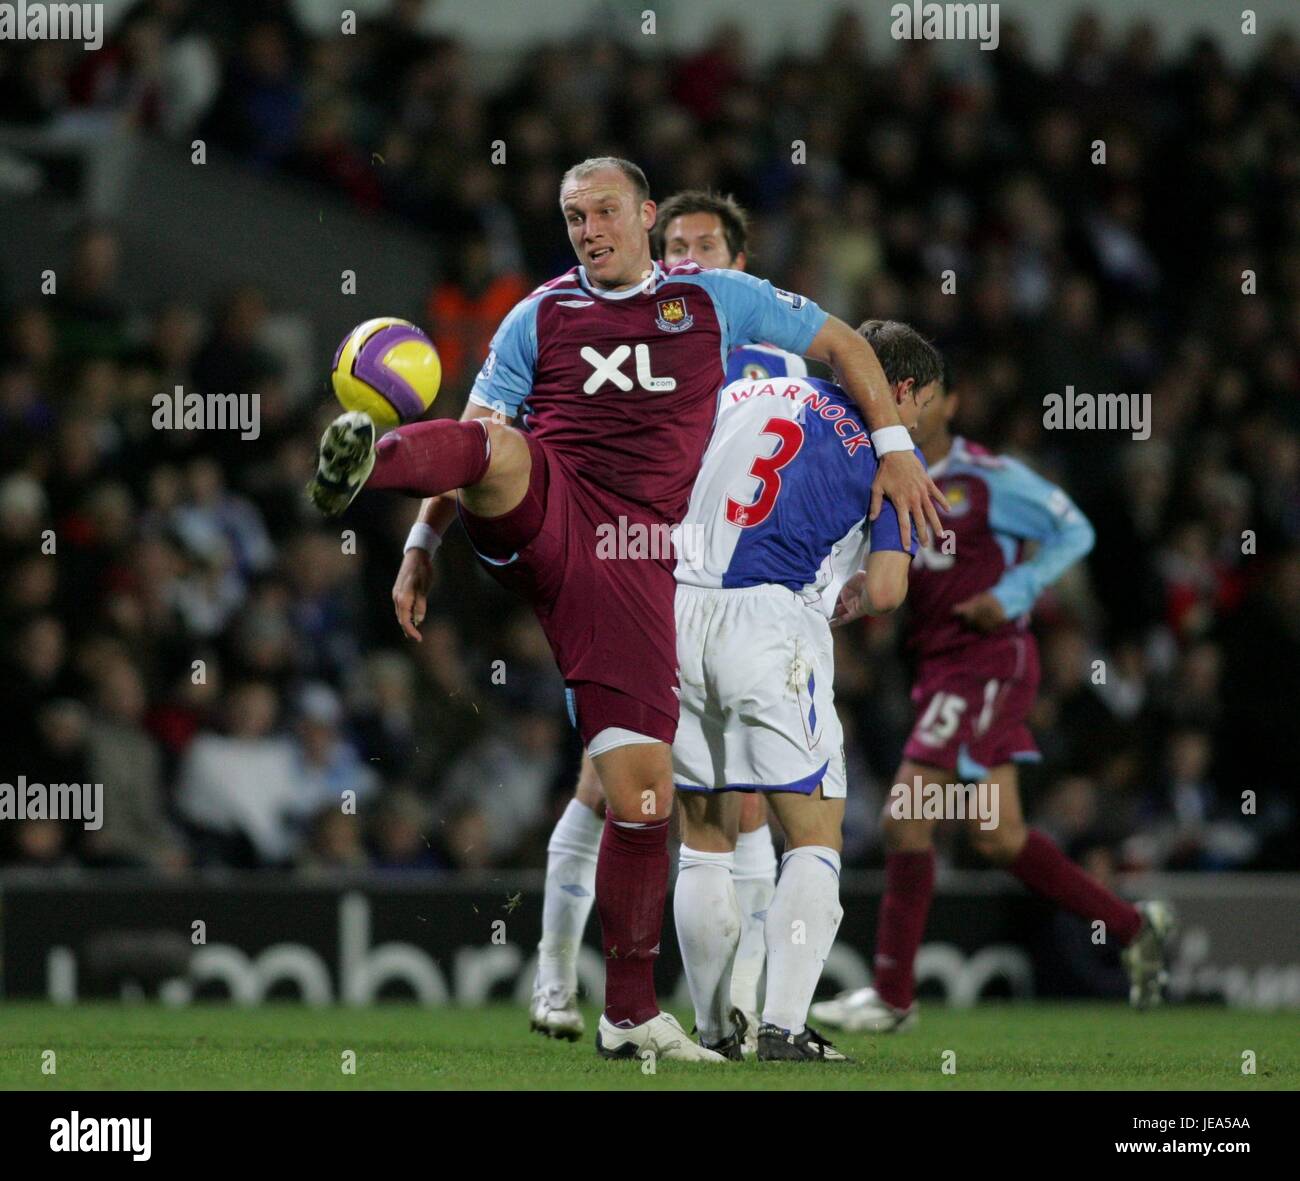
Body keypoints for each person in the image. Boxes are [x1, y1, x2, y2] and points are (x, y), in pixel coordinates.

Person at [309, 157, 945, 1062]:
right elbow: (482, 426)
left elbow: (839, 340)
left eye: (605, 212)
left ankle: (629, 1010)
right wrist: (419, 545)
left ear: (644, 214)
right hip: (567, 511)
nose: (589, 230)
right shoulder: (540, 314)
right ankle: (369, 464)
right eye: (573, 217)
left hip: (648, 574)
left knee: (644, 801)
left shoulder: (721, 310)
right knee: (498, 445)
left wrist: (885, 442)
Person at [811, 371, 1174, 1035]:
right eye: (892, 395)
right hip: (939, 667)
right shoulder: (890, 474)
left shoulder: (988, 478)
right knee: (998, 835)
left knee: (904, 814)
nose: (905, 409)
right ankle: (1132, 925)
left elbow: (1075, 531)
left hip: (986, 662)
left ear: (948, 403)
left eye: (917, 395)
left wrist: (1012, 595)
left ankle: (892, 996)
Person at [529, 190, 798, 1046]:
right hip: (640, 577)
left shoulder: (778, 363)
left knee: (739, 799)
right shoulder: (648, 333)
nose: (688, 256)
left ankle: (736, 1005)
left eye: (706, 244)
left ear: (741, 259)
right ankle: (554, 981)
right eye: (675, 243)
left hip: (734, 595)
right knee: (607, 785)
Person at [671, 319, 938, 1062]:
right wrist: (852, 591)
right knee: (815, 832)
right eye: (918, 405)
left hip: (681, 608)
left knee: (705, 833)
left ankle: (714, 1031)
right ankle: (785, 1026)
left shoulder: (751, 391)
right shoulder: (897, 452)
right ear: (903, 389)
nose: (913, 422)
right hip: (770, 621)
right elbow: (886, 590)